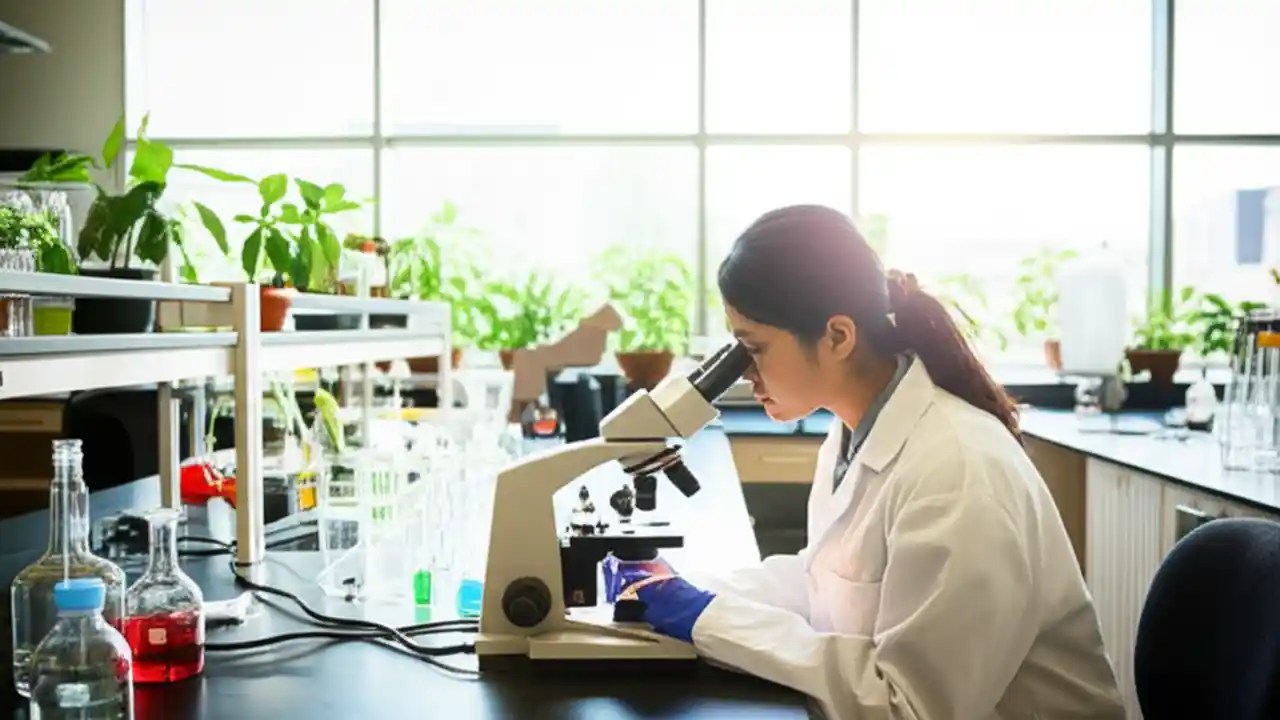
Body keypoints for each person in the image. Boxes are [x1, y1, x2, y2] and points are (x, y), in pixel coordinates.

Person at [618, 205, 1126, 719]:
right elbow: (828, 585)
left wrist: (708, 618)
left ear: (838, 336)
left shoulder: (959, 471)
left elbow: (907, 706)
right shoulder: (855, 429)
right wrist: (691, 592)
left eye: (755, 348)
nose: (745, 372)